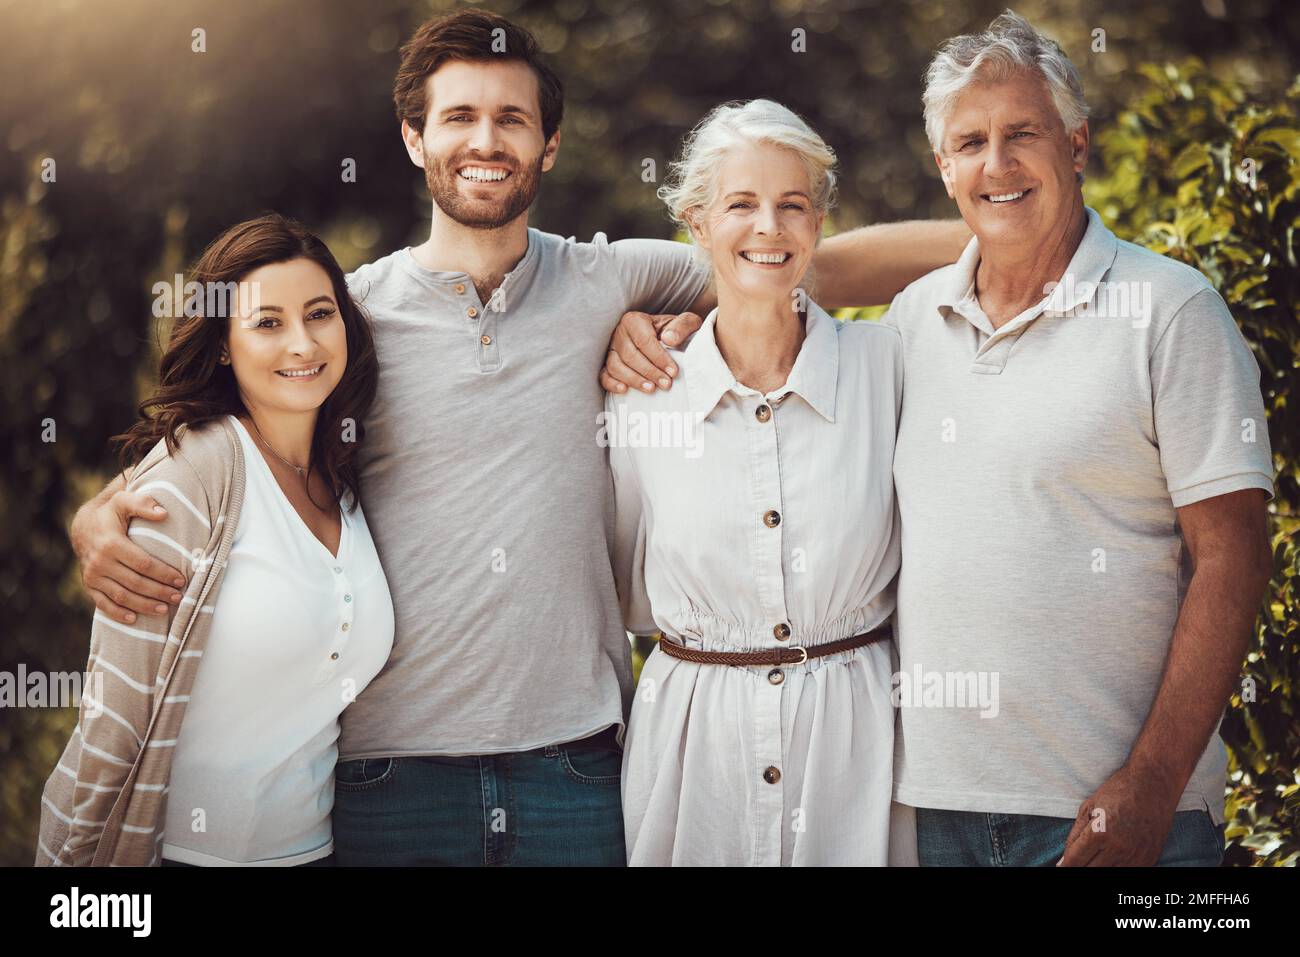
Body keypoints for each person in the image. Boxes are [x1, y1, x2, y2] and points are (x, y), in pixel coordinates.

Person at [65, 9, 968, 867]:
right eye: (459, 116)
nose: (486, 141)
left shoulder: (612, 277)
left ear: (549, 144)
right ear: (416, 138)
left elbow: (800, 263)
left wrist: (1005, 235)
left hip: (574, 770)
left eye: (513, 119)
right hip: (388, 776)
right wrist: (103, 513)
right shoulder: (351, 317)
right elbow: (233, 439)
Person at [604, 11, 1275, 867]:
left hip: (1119, 812)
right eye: (972, 144)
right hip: (931, 812)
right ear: (943, 166)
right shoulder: (912, 326)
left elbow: (1235, 558)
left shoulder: (1169, 311)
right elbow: (793, 264)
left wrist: (1151, 783)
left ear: (1077, 145)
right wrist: (692, 312)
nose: (997, 164)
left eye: (1022, 134)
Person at [608, 99, 913, 865]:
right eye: (741, 205)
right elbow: (623, 584)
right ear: (695, 220)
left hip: (858, 751)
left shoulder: (889, 366)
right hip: (692, 755)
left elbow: (1001, 245)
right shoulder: (638, 390)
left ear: (819, 226)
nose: (770, 227)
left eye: (794, 206)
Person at [38, 214, 393, 866]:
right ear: (224, 344)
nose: (302, 343)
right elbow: (112, 723)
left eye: (320, 313)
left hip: (313, 855)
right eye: (267, 323)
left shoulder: (346, 477)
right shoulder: (190, 478)